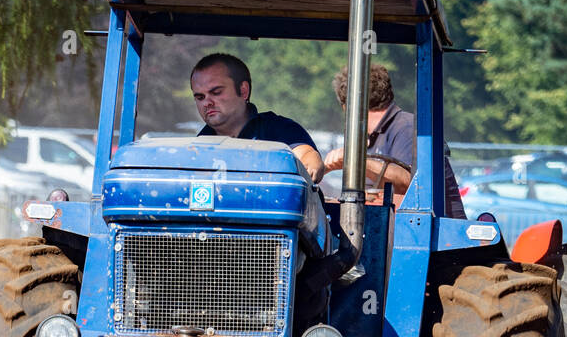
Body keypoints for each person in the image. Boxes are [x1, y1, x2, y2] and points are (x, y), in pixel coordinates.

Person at [325, 64, 466, 218]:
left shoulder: (406, 128)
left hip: (435, 237)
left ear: (349, 106)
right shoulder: (372, 137)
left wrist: (355, 159)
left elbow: (408, 183)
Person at [190, 53, 325, 185]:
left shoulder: (279, 130)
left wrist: (310, 161)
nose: (207, 103)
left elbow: (307, 157)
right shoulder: (196, 147)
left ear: (243, 91)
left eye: (216, 92)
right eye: (200, 97)